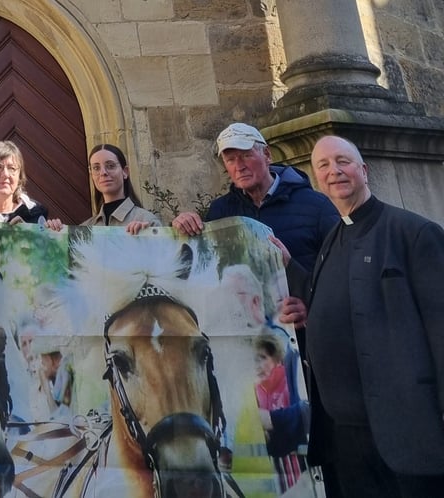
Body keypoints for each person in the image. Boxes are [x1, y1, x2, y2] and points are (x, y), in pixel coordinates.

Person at [277, 135, 444, 497]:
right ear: (317, 179)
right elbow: (334, 299)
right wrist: (290, 269)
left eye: (343, 161)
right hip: (344, 440)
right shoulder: (332, 240)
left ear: (363, 170)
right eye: (323, 165)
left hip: (406, 435)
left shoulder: (414, 234)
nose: (334, 171)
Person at [171, 123, 337, 295]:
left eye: (246, 155)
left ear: (266, 154)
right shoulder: (219, 212)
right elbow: (199, 272)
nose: (239, 166)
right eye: (230, 160)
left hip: (305, 319)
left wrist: (307, 306)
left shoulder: (317, 206)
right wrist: (181, 231)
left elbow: (339, 276)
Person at [46, 144, 159, 234]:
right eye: (96, 168)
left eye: (110, 166)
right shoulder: (85, 229)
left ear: (125, 172)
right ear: (91, 174)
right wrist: (55, 235)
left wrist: (148, 238)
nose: (103, 173)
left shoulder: (147, 221)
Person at [252, 334, 305, 492]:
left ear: (276, 358)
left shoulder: (290, 380)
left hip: (302, 468)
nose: (258, 365)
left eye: (262, 358)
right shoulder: (255, 391)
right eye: (253, 360)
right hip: (275, 473)